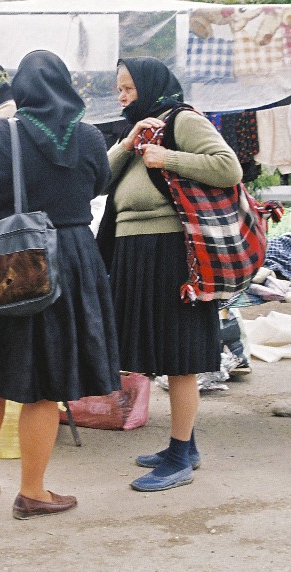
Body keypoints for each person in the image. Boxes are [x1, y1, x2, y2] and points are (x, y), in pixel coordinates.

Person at [0, 50, 120, 520]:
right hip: (69, 258)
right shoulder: (91, 137)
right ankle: (33, 490)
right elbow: (100, 185)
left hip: (1, 261)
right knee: (44, 385)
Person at [103, 57, 242, 492]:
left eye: (127, 88)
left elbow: (229, 167)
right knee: (160, 352)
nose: (122, 96)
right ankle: (186, 444)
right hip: (136, 252)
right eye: (119, 88)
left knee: (179, 356)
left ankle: (180, 456)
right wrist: (128, 144)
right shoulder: (140, 130)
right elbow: (95, 183)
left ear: (149, 85)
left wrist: (169, 157)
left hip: (172, 254)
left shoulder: (182, 120)